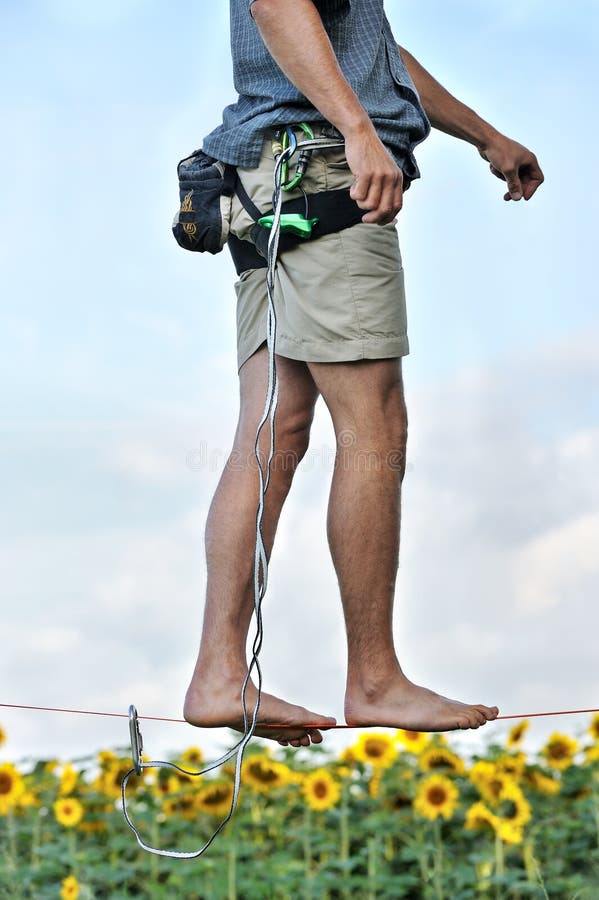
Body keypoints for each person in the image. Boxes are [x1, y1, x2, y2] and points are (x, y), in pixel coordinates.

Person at [183, 0, 544, 749]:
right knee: (372, 426)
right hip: (322, 170)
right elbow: (278, 4)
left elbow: (371, 54)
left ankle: (219, 673)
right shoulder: (339, 126)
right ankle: (374, 680)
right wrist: (357, 130)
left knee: (274, 427)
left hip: (266, 179)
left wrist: (484, 135)